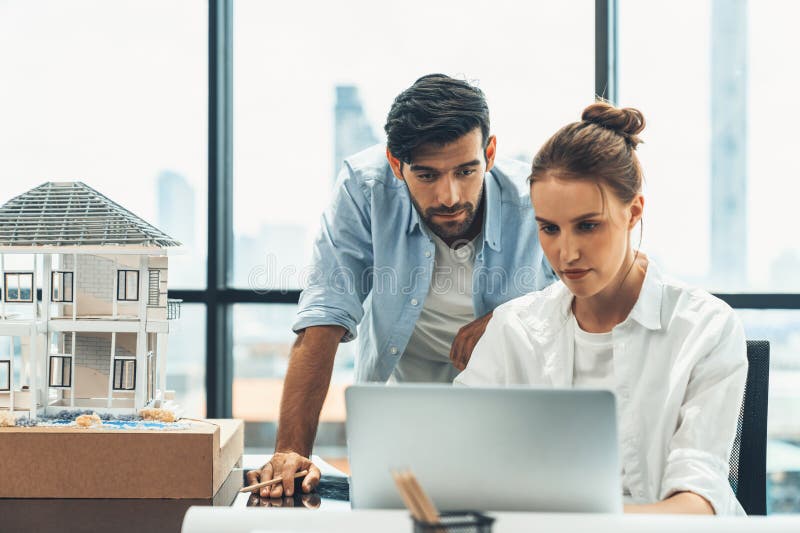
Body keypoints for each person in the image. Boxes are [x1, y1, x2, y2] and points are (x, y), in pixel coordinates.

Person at [246, 74, 556, 497]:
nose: (450, 196)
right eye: (427, 176)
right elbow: (324, 316)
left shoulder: (534, 199)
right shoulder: (364, 187)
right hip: (402, 411)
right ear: (396, 163)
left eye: (466, 171)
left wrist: (511, 320)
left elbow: (584, 299)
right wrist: (290, 452)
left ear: (491, 152)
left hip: (511, 414)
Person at [455, 101, 748, 515]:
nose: (566, 252)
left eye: (588, 226)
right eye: (549, 228)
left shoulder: (705, 328)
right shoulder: (513, 328)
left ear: (634, 213)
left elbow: (698, 505)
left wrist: (570, 524)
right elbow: (457, 463)